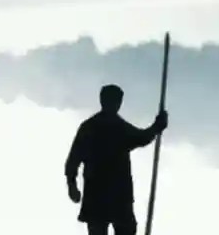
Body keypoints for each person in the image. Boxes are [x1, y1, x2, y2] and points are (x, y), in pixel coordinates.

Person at [65, 84, 169, 235]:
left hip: (102, 193)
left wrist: (72, 185)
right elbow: (142, 137)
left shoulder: (90, 127)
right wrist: (157, 127)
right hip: (114, 193)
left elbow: (73, 160)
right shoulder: (114, 127)